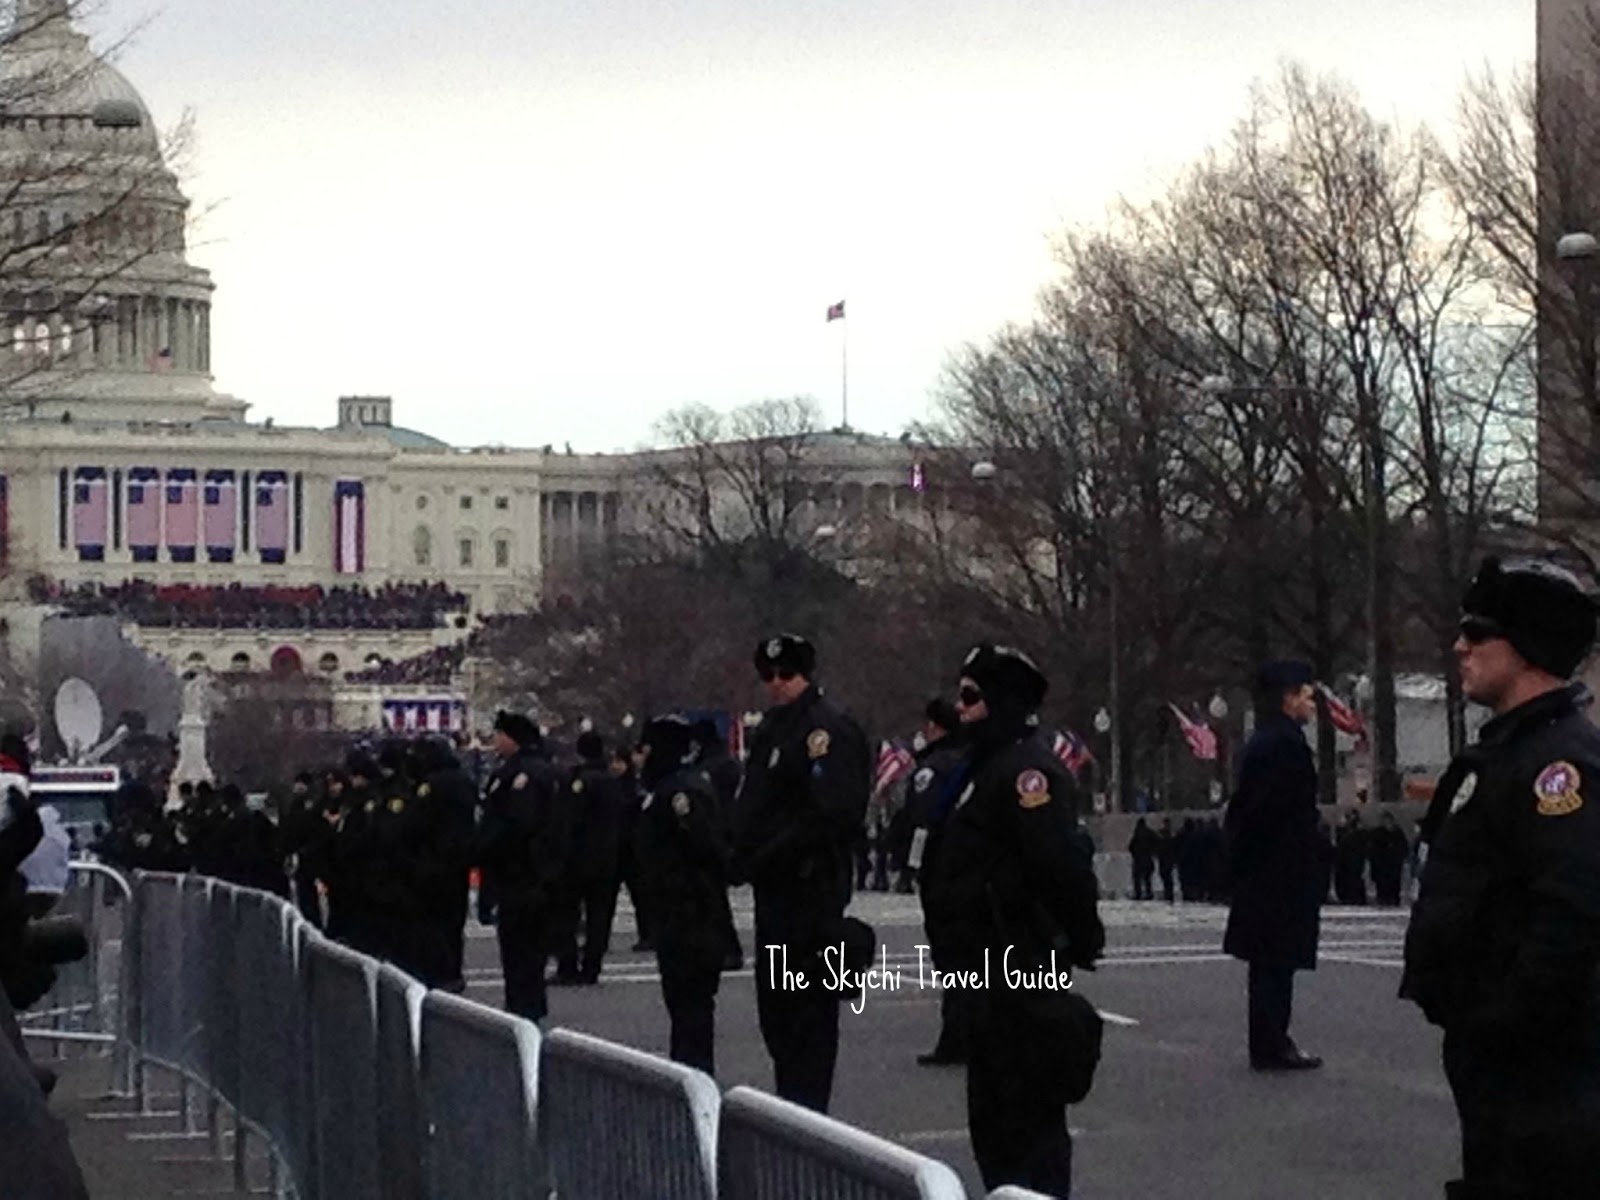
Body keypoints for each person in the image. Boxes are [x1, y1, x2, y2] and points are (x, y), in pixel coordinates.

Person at [1401, 556, 1600, 1197]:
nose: (1460, 647)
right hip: (1505, 1060)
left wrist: (1504, 1018)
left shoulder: (1558, 766)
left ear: (1527, 646)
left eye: (1478, 632)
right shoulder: (1511, 752)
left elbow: (1572, 913)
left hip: (1545, 1066)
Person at [925, 645, 1103, 1197]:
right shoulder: (982, 769)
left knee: (1029, 1130)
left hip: (1019, 964)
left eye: (973, 696)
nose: (963, 708)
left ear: (1001, 701)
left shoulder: (1027, 772)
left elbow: (1059, 866)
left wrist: (1078, 937)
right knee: (994, 1127)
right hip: (980, 972)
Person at [732, 633, 870, 1114]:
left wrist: (769, 853)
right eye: (767, 676)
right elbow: (753, 804)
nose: (775, 684)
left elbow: (831, 814)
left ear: (805, 675)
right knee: (776, 1017)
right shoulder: (772, 729)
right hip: (774, 893)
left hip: (811, 890)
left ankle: (809, 1113)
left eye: (785, 675)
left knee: (807, 1019)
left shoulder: (825, 731)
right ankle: (793, 1104)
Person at [1222, 660, 1324, 1071]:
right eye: (1305, 694)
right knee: (1276, 964)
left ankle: (1269, 1040)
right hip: (1279, 872)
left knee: (1268, 964)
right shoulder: (1284, 745)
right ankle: (1272, 1042)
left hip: (1264, 872)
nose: (1311, 703)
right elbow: (1271, 812)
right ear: (1287, 698)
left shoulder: (1264, 741)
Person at [633, 715, 737, 1074]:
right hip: (674, 914)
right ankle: (687, 1073)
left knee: (692, 1007)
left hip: (691, 915)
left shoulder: (682, 793)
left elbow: (704, 850)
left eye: (646, 749)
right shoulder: (666, 789)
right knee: (680, 1005)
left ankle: (696, 1079)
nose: (641, 758)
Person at [477, 711, 569, 1023]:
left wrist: (486, 850)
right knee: (532, 951)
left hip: (519, 875)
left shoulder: (519, 776)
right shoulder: (550, 771)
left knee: (519, 952)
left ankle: (523, 1011)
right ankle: (528, 1006)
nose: (495, 741)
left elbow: (513, 827)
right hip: (543, 876)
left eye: (499, 735)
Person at [903, 697, 971, 1067]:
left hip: (942, 873)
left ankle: (956, 1037)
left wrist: (912, 865)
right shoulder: (973, 760)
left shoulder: (933, 769)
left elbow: (922, 821)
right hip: (970, 873)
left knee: (951, 960)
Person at [550, 731, 624, 986]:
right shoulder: (613, 781)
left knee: (567, 914)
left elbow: (571, 820)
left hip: (579, 857)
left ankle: (568, 965)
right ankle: (593, 965)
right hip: (607, 857)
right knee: (600, 916)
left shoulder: (581, 782)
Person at [1366, 812, 1408, 908]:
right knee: (1382, 885)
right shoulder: (1377, 833)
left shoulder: (1398, 833)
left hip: (1394, 865)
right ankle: (1383, 899)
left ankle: (1392, 900)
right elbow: (1372, 849)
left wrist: (1398, 857)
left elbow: (1403, 848)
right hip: (1381, 866)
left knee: (1394, 884)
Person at [1128, 818, 1157, 901]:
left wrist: (1135, 854)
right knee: (1147, 879)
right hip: (1148, 859)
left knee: (1137, 878)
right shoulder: (1150, 833)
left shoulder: (1137, 833)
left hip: (1138, 860)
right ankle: (1149, 893)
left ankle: (1138, 894)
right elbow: (1157, 842)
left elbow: (1131, 847)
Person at [1155, 818, 1177, 903]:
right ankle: (1168, 893)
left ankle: (1168, 893)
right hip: (1167, 859)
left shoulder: (1162, 835)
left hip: (1165, 859)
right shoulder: (1171, 835)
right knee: (1167, 877)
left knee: (1166, 877)